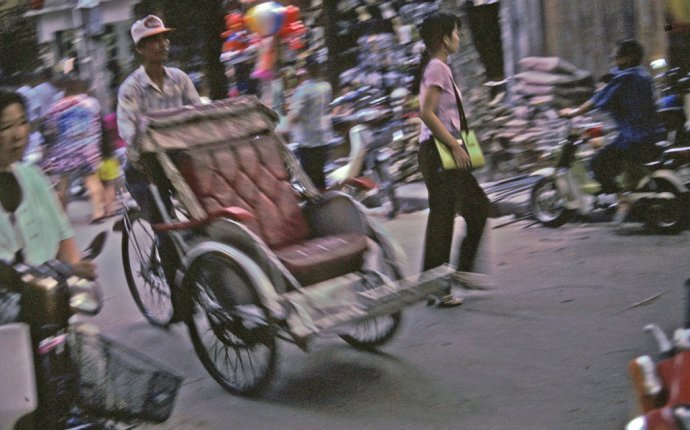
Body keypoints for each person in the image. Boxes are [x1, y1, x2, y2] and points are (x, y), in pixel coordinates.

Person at [117, 15, 200, 320]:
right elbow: (128, 133)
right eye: (153, 41)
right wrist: (152, 139)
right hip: (146, 169)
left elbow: (199, 114)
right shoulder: (131, 89)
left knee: (206, 217)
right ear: (141, 48)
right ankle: (180, 305)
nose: (162, 45)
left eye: (164, 39)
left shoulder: (180, 78)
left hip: (179, 163)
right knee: (167, 232)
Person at [414, 13, 491, 307]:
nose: (459, 38)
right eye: (456, 33)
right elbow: (427, 113)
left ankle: (446, 279)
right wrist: (455, 146)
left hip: (441, 149)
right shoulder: (438, 67)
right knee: (447, 217)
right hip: (439, 150)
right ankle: (441, 284)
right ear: (445, 39)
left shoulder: (439, 67)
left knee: (471, 209)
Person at [0, 90, 96, 323]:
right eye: (5, 127)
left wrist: (75, 268)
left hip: (49, 304)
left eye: (22, 123)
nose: (18, 134)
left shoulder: (34, 177)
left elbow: (62, 233)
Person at [560, 39, 663, 222]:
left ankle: (621, 199)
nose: (614, 60)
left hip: (634, 138)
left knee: (597, 163)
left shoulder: (626, 78)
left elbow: (599, 98)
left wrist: (573, 112)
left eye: (617, 57)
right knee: (612, 156)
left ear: (628, 57)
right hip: (651, 135)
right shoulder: (644, 75)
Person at [41, 78, 107, 223]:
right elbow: (98, 122)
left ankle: (62, 218)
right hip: (88, 150)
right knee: (92, 180)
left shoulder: (56, 107)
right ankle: (98, 212)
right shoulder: (90, 102)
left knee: (63, 185)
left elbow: (51, 129)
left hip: (65, 151)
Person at [287, 56, 333, 190]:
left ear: (304, 71)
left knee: (310, 182)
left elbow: (294, 116)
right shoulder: (326, 87)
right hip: (324, 139)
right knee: (320, 178)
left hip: (308, 143)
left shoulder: (303, 90)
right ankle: (326, 206)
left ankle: (318, 208)